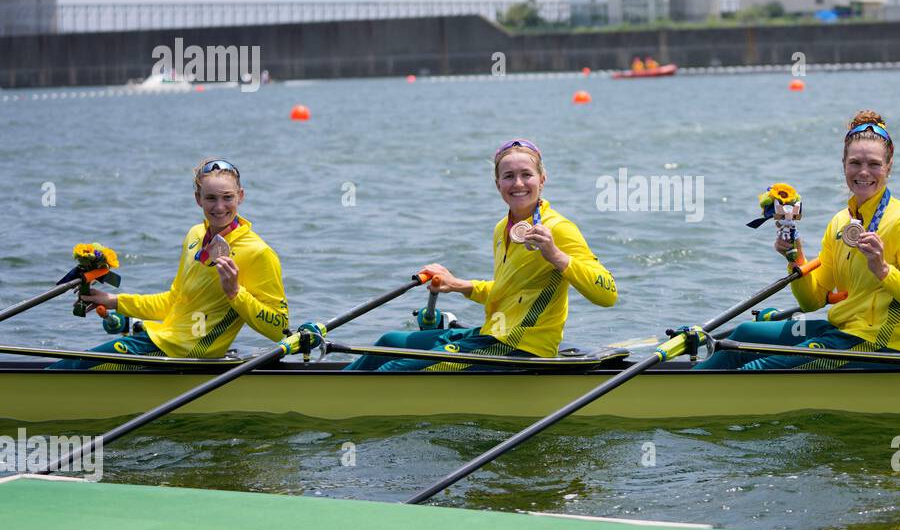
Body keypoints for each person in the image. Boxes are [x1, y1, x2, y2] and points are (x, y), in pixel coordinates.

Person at [697, 110, 900, 371]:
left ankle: (699, 398)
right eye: (855, 163)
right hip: (841, 330)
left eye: (874, 164)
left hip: (882, 343)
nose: (863, 172)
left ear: (889, 166)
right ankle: (684, 390)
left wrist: (884, 271)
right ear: (843, 164)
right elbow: (812, 301)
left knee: (758, 368)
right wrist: (795, 257)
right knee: (745, 333)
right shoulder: (840, 222)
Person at [345, 138, 618, 372]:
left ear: (542, 180)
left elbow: (607, 294)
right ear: (498, 184)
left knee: (395, 369)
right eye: (509, 176)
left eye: (527, 174)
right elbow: (510, 292)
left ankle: (336, 403)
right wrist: (458, 284)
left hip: (520, 349)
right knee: (389, 342)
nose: (518, 183)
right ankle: (324, 389)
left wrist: (556, 256)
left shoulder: (558, 229)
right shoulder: (503, 228)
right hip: (492, 335)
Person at [55, 158, 290, 369]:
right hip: (161, 339)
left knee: (68, 370)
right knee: (68, 364)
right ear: (198, 199)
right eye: (211, 198)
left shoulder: (258, 253)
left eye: (228, 197)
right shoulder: (195, 235)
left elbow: (279, 328)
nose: (219, 207)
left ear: (240, 196)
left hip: (186, 354)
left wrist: (235, 293)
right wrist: (116, 301)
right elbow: (175, 301)